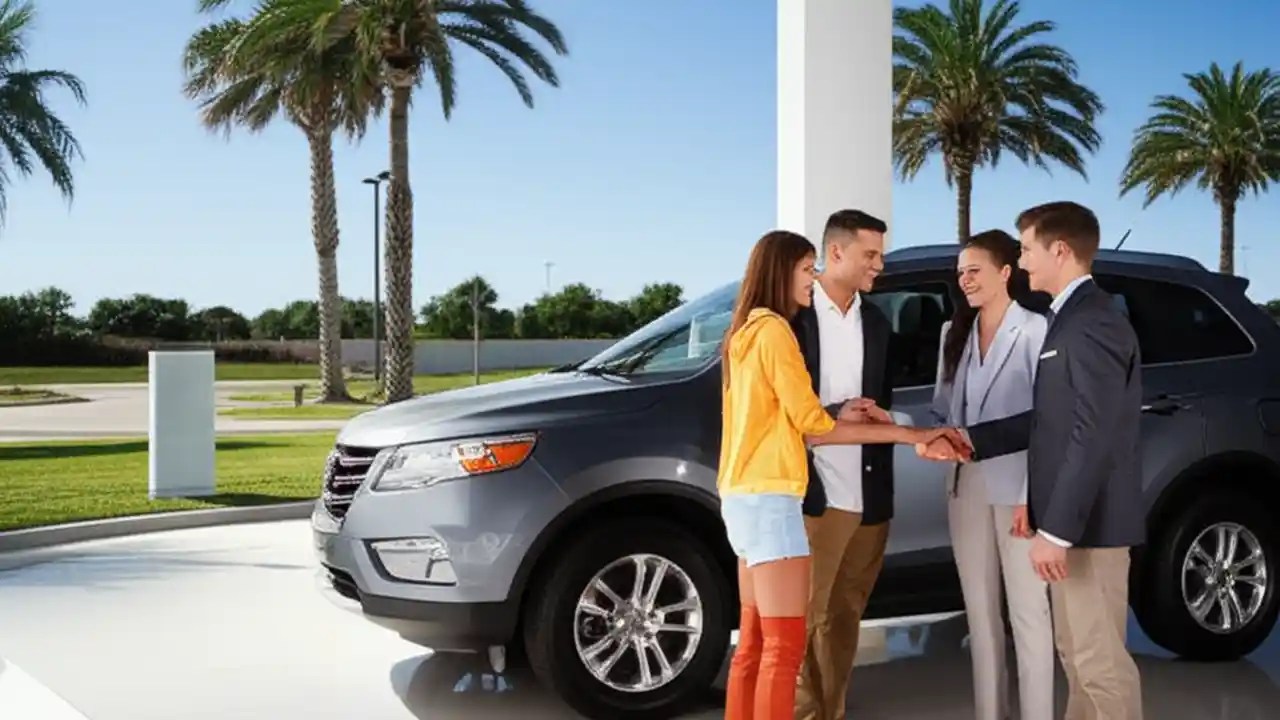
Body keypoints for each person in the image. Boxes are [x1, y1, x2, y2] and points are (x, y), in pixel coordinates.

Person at [718, 229, 964, 720]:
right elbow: (813, 424)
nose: (811, 280)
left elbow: (783, 418)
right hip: (771, 502)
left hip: (739, 499)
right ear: (779, 270)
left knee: (753, 644)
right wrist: (907, 436)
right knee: (784, 649)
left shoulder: (741, 333)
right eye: (805, 269)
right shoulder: (774, 332)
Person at [923, 201, 1145, 720]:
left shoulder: (1090, 323)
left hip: (1090, 526)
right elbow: (1048, 422)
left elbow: (1091, 433)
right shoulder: (1071, 319)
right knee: (1077, 656)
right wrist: (966, 441)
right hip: (1072, 523)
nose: (1022, 263)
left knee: (1098, 664)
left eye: (1026, 250)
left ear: (1060, 251)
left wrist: (1056, 529)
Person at [928, 229, 1054, 720]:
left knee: (1028, 615)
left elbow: (1049, 419)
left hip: (1019, 488)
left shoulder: (1037, 331)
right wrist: (931, 437)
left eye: (974, 270)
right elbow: (943, 409)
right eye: (960, 273)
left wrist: (1031, 494)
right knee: (979, 617)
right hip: (964, 488)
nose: (965, 281)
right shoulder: (952, 333)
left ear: (1007, 272)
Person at [788, 209, 898, 720]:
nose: (879, 265)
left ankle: (831, 712)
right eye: (870, 254)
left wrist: (880, 415)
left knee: (846, 618)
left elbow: (884, 399)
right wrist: (833, 415)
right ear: (836, 253)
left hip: (869, 496)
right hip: (815, 497)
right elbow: (782, 411)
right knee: (806, 621)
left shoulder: (876, 322)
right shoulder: (793, 318)